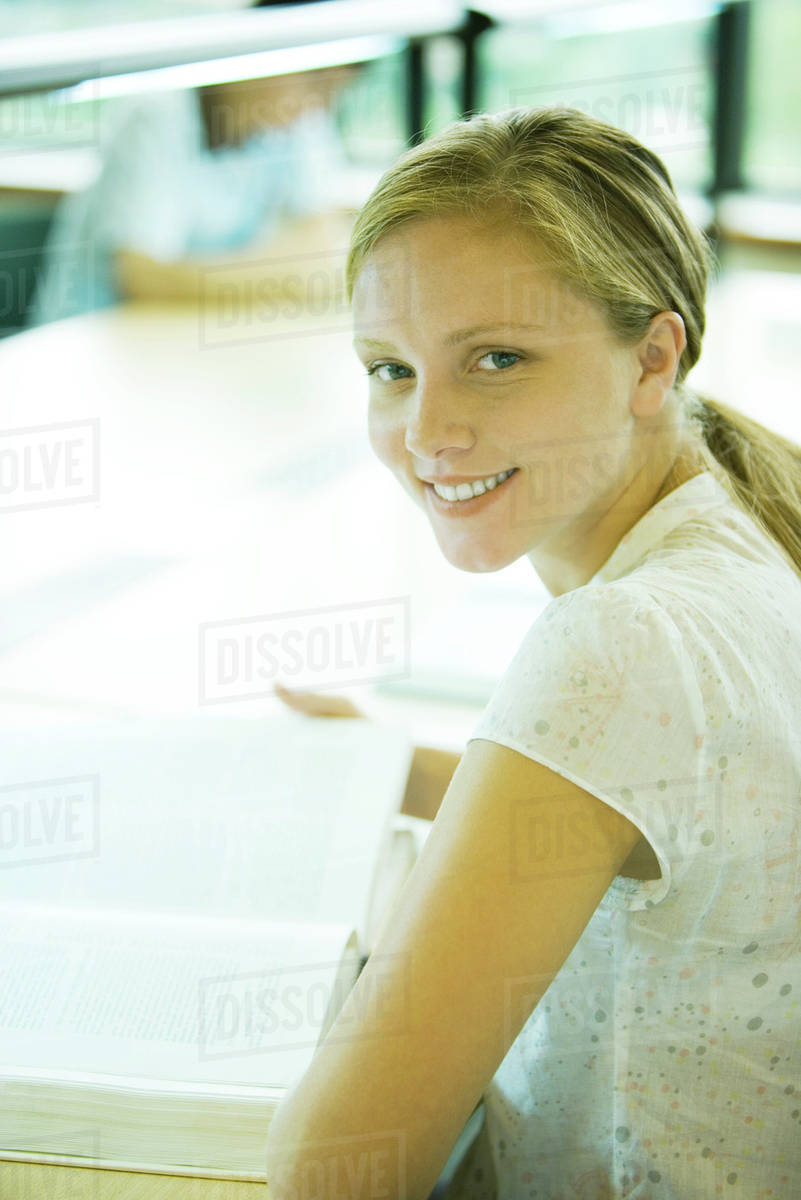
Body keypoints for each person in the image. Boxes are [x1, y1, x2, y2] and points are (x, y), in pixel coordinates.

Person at [264, 105, 801, 1199]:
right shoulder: (739, 530)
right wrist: (402, 766)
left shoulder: (620, 640)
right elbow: (673, 818)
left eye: (496, 359)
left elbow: (334, 1174)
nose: (427, 433)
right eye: (389, 369)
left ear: (654, 358)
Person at [27, 64, 357, 326]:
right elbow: (143, 278)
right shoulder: (158, 114)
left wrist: (239, 279)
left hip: (191, 333)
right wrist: (280, 275)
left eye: (333, 92)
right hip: (91, 340)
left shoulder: (299, 120)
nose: (318, 106)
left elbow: (321, 240)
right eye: (313, 83)